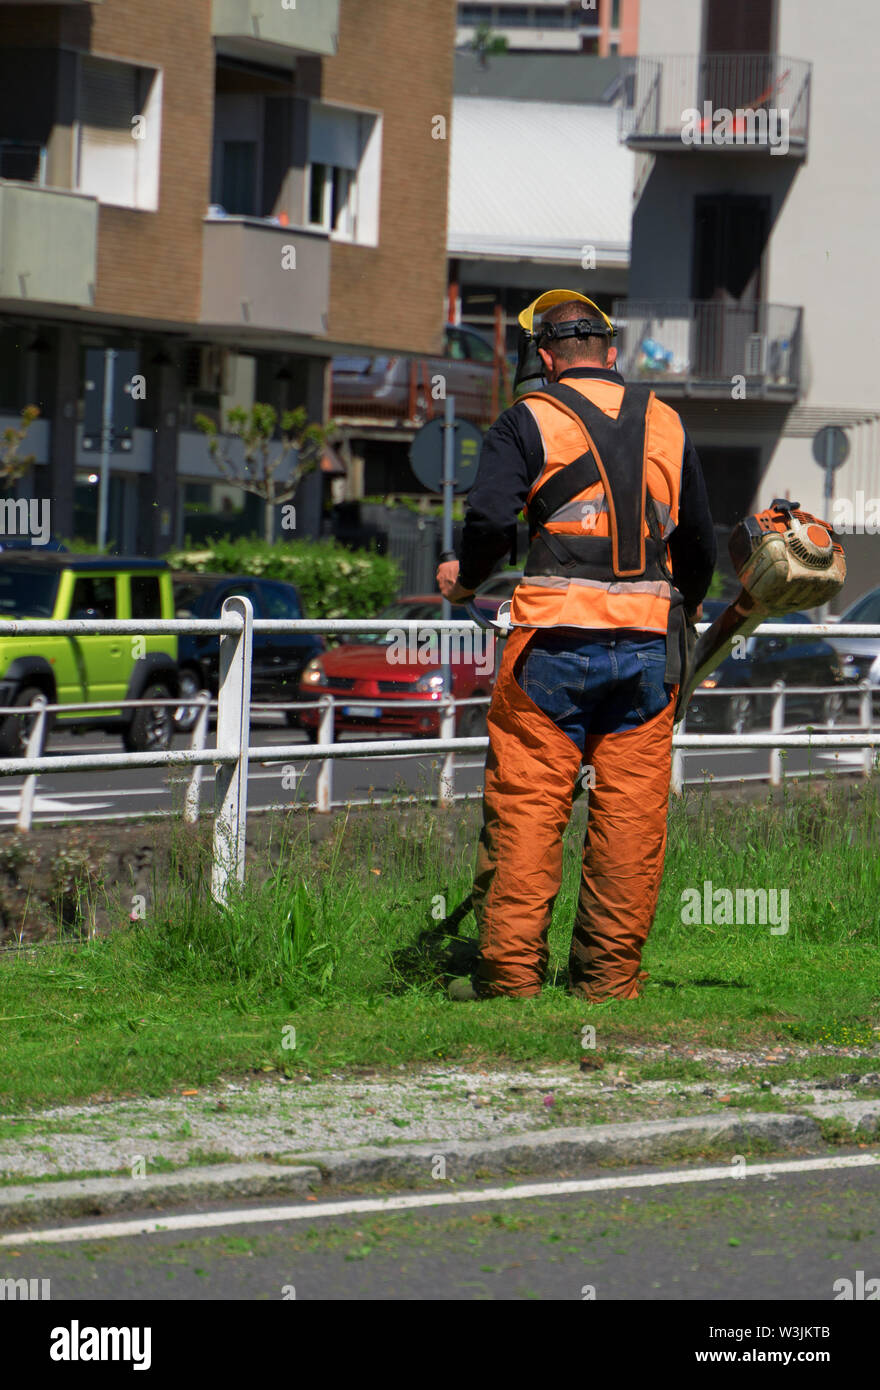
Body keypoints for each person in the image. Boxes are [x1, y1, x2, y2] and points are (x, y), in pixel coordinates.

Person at [437, 292, 716, 1002]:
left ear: (546, 358)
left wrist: (463, 579)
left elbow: (491, 521)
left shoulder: (524, 420)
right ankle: (607, 981)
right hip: (649, 653)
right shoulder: (668, 423)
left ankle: (510, 978)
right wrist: (689, 606)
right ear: (613, 351)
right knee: (631, 819)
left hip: (551, 647)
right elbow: (698, 545)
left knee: (529, 810)